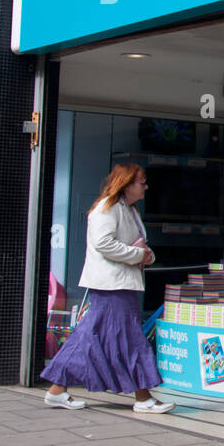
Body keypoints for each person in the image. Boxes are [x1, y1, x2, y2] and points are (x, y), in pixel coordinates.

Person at [42, 164, 175, 413]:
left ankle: (57, 390)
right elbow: (103, 243)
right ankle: (144, 397)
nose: (146, 186)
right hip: (112, 284)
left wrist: (146, 256)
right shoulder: (108, 208)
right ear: (127, 184)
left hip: (117, 283)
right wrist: (138, 254)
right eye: (142, 182)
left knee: (90, 337)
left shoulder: (127, 209)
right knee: (130, 337)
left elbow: (133, 244)